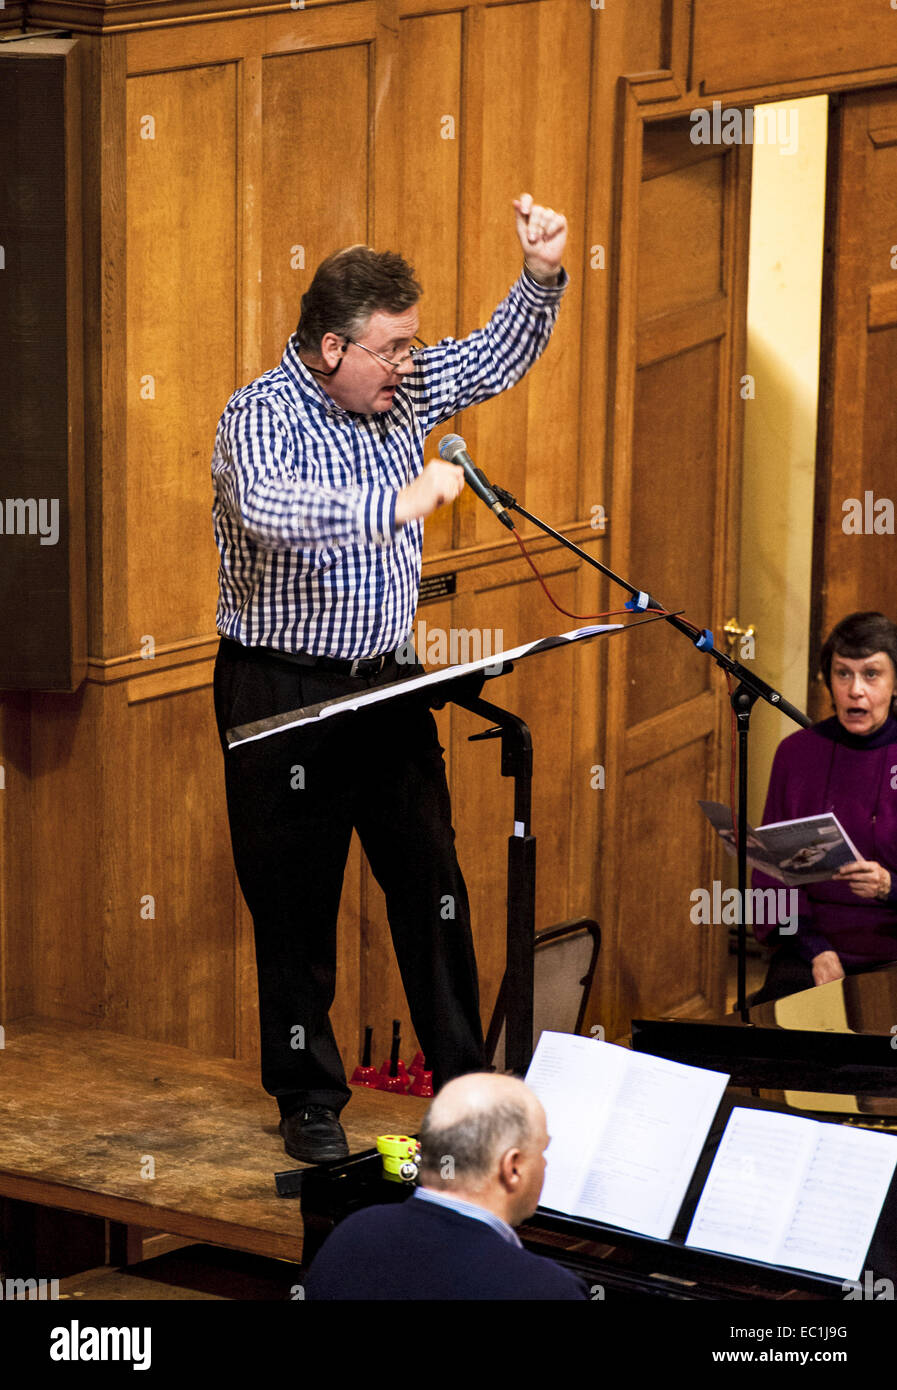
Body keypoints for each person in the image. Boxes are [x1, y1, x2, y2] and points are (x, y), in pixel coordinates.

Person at [211, 195, 569, 1162]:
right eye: (395, 348)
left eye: (414, 347)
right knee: (295, 906)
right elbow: (271, 509)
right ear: (331, 347)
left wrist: (538, 275)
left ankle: (464, 1088)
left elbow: (492, 356)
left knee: (432, 886)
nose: (412, 364)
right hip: (284, 692)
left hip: (388, 684)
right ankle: (309, 1099)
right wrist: (395, 498)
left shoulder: (400, 387)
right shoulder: (259, 415)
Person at [304, 1073, 589, 1300]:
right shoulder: (547, 1289)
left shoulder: (351, 1234)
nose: (545, 1164)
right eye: (542, 1150)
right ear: (512, 1167)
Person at [750, 611, 897, 1003]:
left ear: (895, 683)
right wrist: (816, 949)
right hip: (812, 946)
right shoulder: (796, 755)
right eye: (842, 673)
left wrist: (889, 886)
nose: (855, 690)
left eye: (871, 674)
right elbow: (770, 876)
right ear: (828, 681)